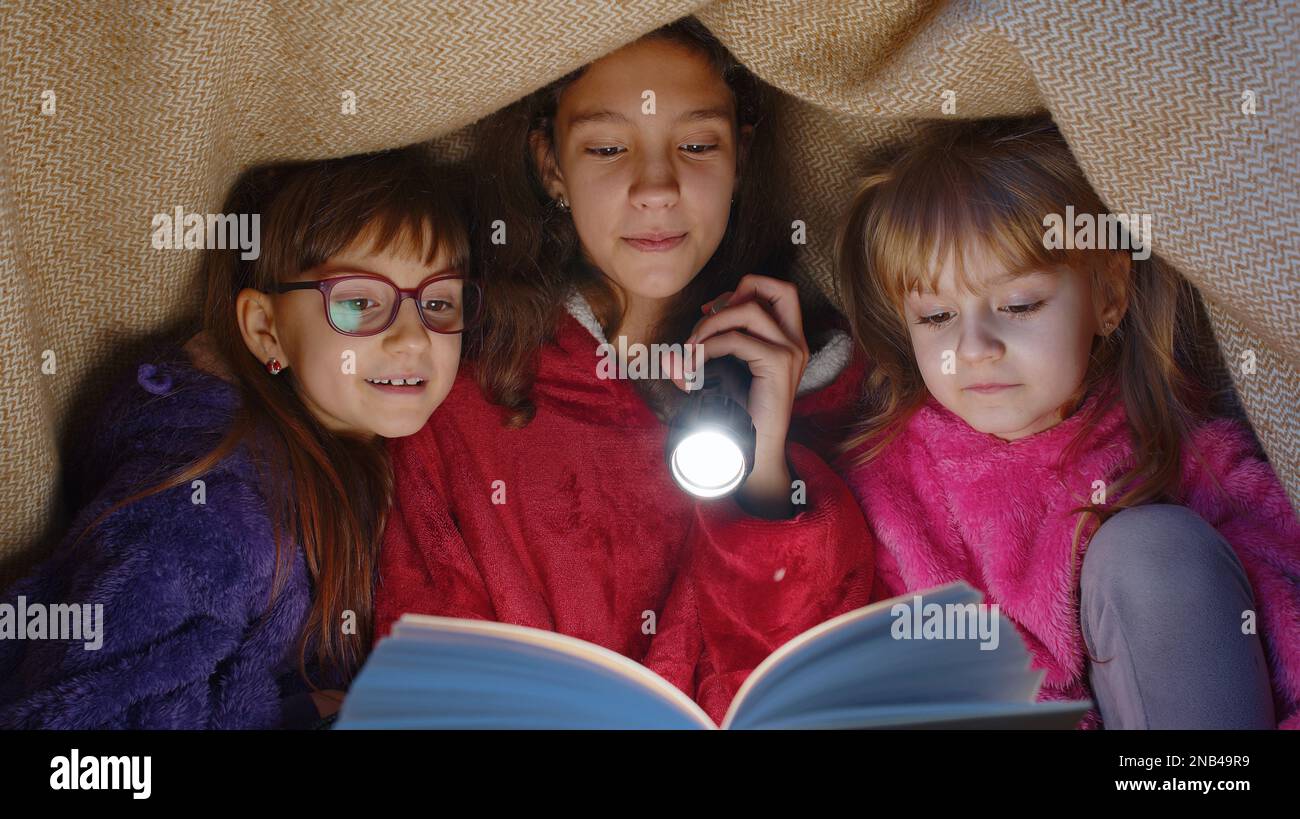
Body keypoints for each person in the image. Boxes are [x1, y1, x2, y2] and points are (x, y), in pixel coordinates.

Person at [375, 17, 874, 725]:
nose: (657, 187)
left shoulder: (820, 384)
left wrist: (767, 472)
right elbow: (426, 670)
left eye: (698, 144)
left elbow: (812, 692)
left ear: (740, 156)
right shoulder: (464, 395)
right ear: (551, 165)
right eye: (608, 147)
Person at [833, 116, 1300, 728]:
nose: (975, 348)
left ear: (1108, 297)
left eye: (1019, 306)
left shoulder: (1182, 452)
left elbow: (1282, 615)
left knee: (1152, 547)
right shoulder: (889, 487)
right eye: (937, 316)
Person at [0, 147, 476, 728]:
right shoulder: (210, 513)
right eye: (357, 303)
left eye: (438, 303)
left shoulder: (383, 451)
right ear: (264, 330)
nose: (413, 338)